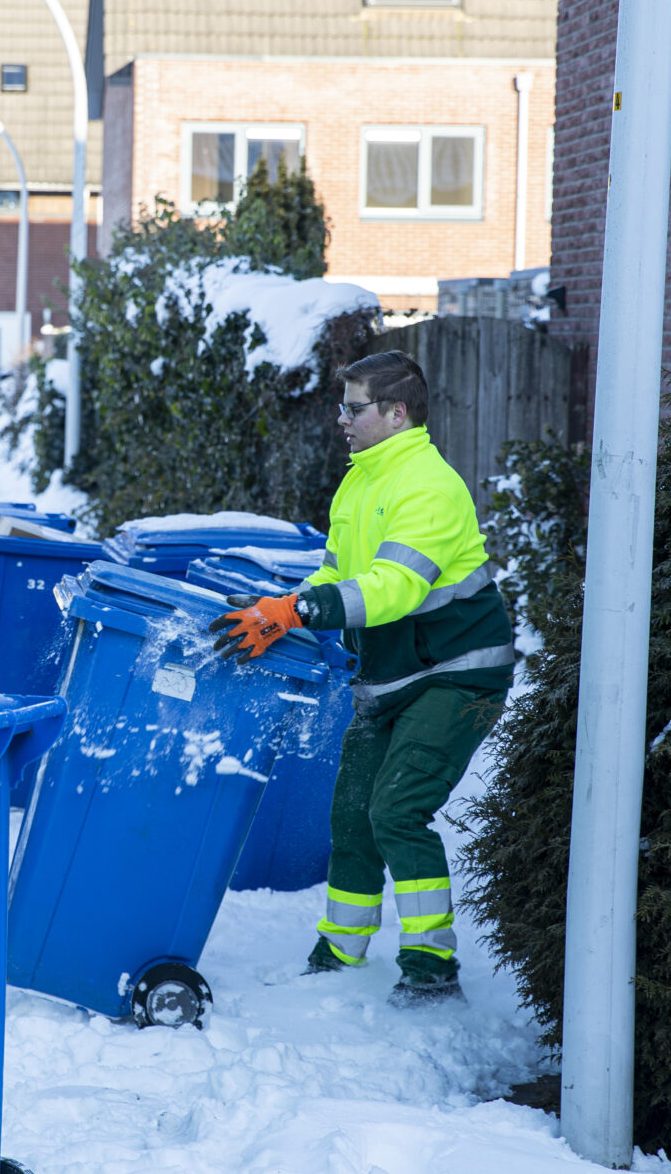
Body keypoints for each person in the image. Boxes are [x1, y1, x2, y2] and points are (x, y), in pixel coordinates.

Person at [211, 351, 515, 1005]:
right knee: (351, 813)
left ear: (396, 412)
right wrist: (284, 612)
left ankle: (431, 969)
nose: (341, 418)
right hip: (391, 675)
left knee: (397, 809)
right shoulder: (360, 482)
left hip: (458, 673)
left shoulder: (428, 485)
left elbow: (394, 589)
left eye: (355, 407)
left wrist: (298, 610)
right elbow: (336, 575)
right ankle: (340, 952)